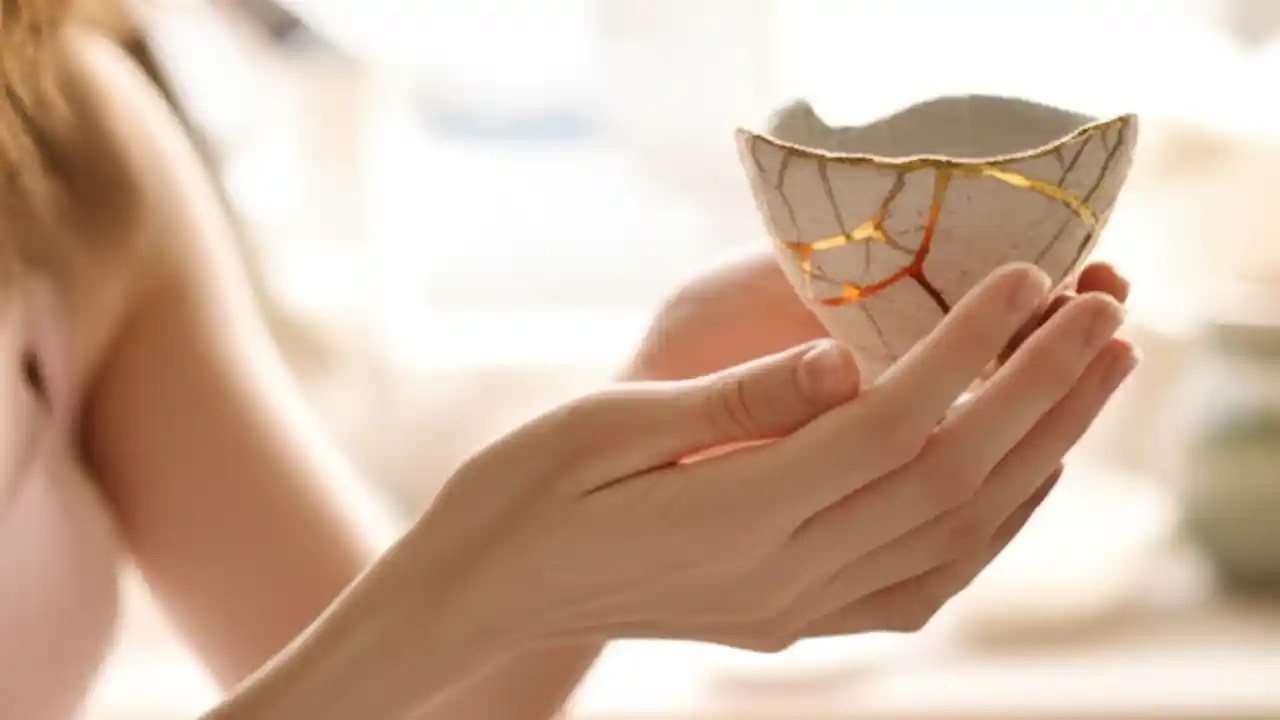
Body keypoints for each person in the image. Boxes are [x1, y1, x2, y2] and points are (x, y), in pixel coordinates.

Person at [0, 5, 1137, 719]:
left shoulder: (62, 137)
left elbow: (418, 709)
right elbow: (404, 646)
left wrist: (667, 401)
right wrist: (476, 591)